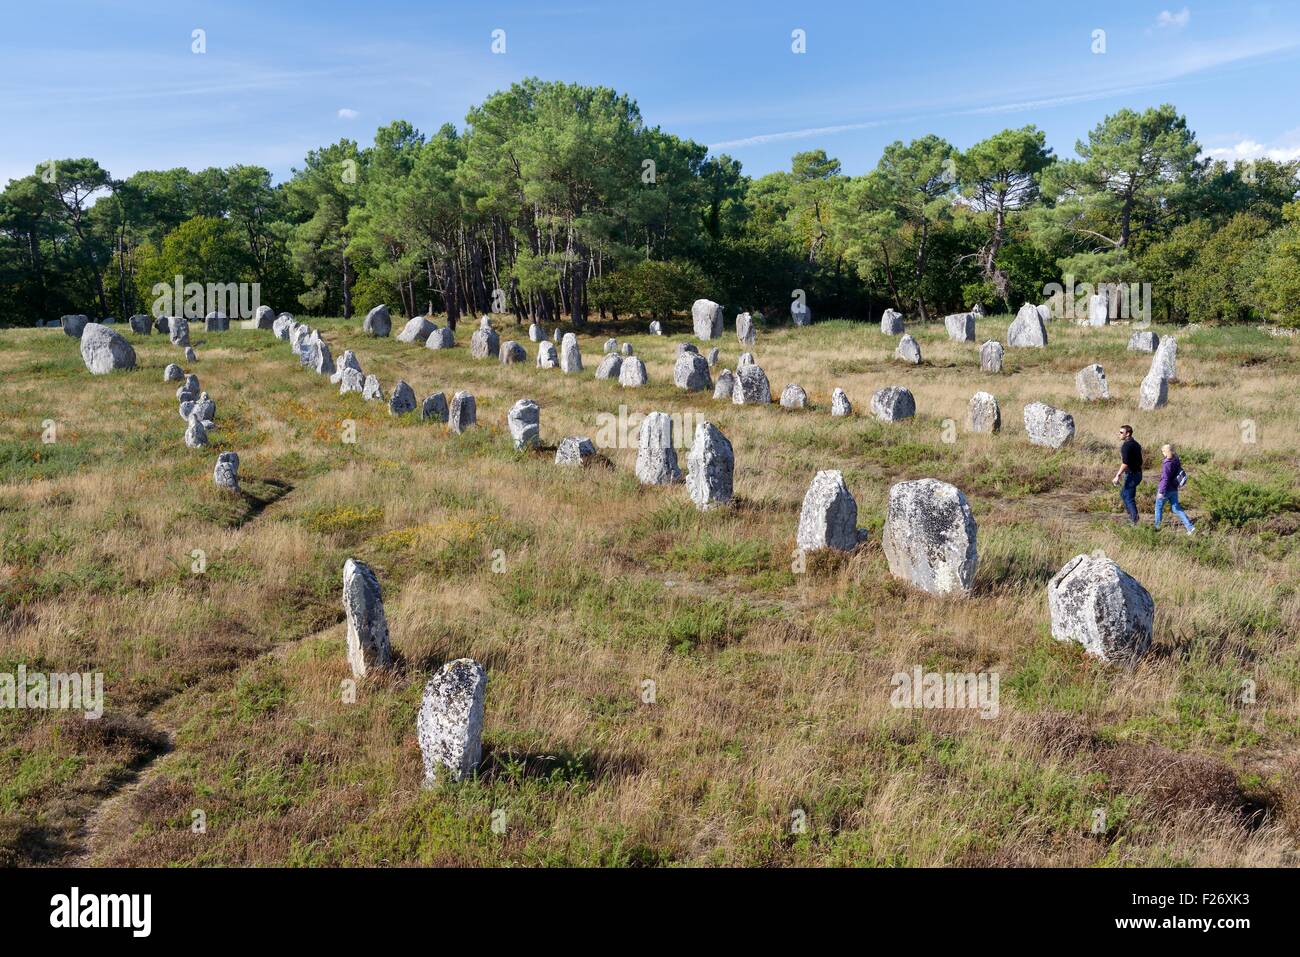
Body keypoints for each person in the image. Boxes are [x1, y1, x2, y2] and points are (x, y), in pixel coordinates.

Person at [1155, 443, 1195, 535]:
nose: (1162, 453)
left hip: (1165, 489)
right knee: (1176, 508)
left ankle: (1157, 528)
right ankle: (1190, 527)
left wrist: (1161, 492)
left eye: (1163, 451)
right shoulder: (1176, 459)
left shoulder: (1167, 464)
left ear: (1165, 452)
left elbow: (1165, 478)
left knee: (1158, 508)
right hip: (1174, 489)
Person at [1112, 425, 1142, 525]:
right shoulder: (1136, 444)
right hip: (1137, 474)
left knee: (1128, 497)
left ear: (1127, 434)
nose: (1119, 434)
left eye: (1121, 432)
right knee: (1123, 494)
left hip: (1132, 475)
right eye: (1119, 432)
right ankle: (1132, 517)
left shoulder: (1126, 446)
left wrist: (1117, 475)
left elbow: (1125, 463)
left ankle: (1134, 520)